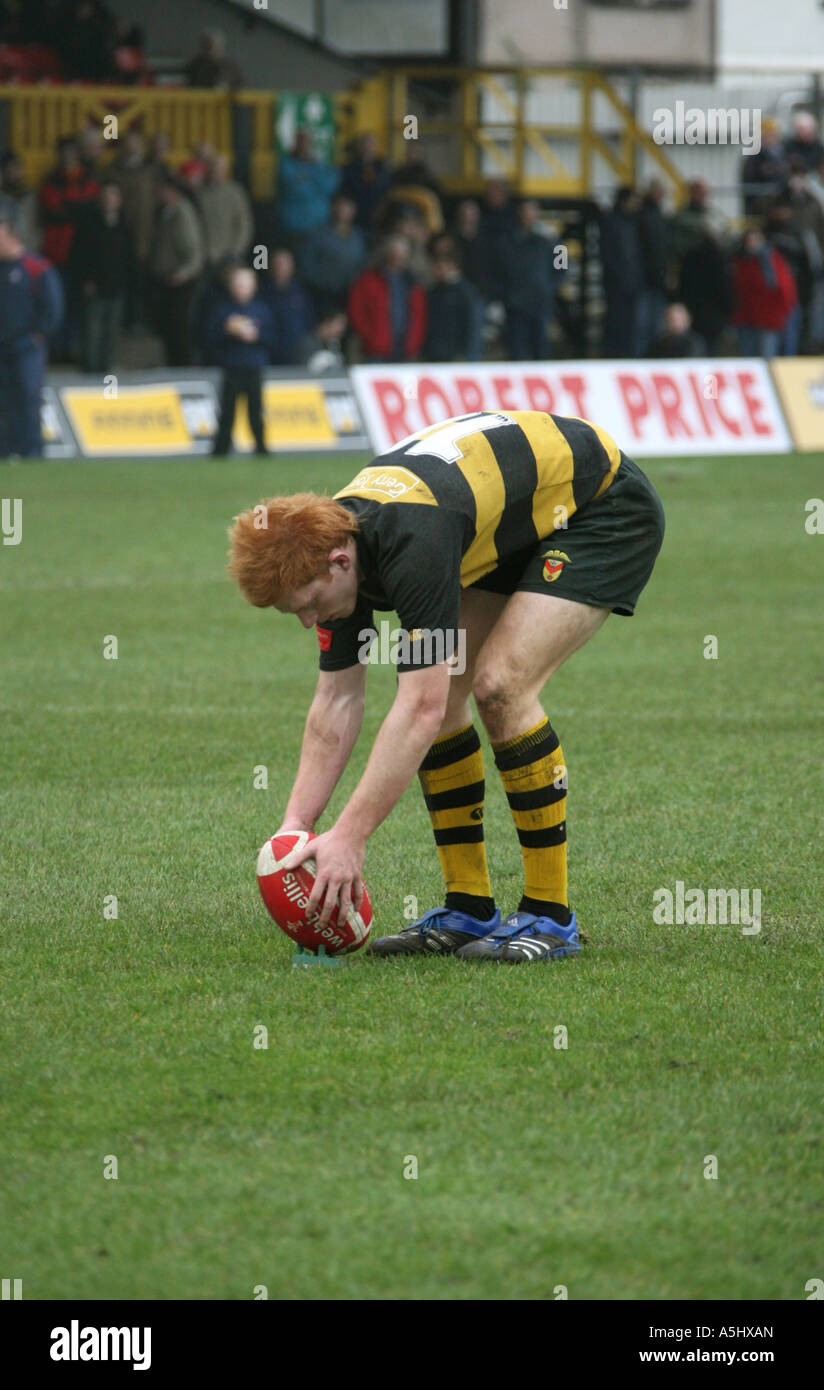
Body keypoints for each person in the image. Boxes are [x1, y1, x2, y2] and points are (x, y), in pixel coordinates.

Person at [227, 409, 665, 963]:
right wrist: (297, 825)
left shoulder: (413, 540)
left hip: (598, 509)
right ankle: (468, 908)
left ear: (340, 562)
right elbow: (336, 698)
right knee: (450, 688)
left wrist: (350, 836)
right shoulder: (330, 546)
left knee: (499, 686)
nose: (309, 622)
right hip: (509, 520)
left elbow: (418, 708)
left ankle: (550, 916)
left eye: (310, 605)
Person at [0, 197, 64, 457]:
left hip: (27, 347)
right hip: (2, 347)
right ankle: (5, 453)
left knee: (28, 397)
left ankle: (31, 452)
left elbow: (54, 306)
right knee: (4, 403)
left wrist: (39, 336)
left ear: (12, 235)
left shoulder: (35, 267)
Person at [207, 265, 274, 456]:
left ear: (253, 287)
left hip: (254, 368)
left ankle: (261, 447)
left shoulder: (261, 310)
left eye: (245, 285)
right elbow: (209, 338)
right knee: (227, 412)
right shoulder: (222, 310)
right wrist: (228, 331)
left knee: (256, 412)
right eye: (238, 285)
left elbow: (271, 337)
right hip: (232, 368)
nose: (241, 289)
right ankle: (221, 449)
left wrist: (255, 336)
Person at [71, 180, 131, 373]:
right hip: (94, 287)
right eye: (105, 197)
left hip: (116, 288)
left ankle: (107, 376)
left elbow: (130, 259)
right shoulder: (88, 224)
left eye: (113, 197)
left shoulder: (125, 225)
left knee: (111, 334)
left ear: (119, 201)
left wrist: (126, 284)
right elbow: (78, 255)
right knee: (92, 333)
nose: (109, 201)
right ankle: (90, 374)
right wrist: (85, 281)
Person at [148, 174, 205, 366]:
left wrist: (183, 273)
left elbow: (192, 249)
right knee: (169, 326)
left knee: (180, 327)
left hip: (180, 281)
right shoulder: (166, 211)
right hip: (167, 279)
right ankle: (173, 362)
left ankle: (182, 365)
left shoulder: (182, 213)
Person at [500, 199, 565, 360]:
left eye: (531, 211)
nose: (528, 215)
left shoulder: (550, 238)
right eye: (525, 211)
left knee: (541, 349)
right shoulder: (508, 238)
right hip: (516, 302)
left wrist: (550, 287)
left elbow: (562, 260)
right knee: (516, 350)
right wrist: (505, 292)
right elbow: (498, 267)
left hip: (540, 302)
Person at [347, 234, 427, 363]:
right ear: (387, 253)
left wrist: (415, 343)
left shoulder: (413, 283)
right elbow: (356, 311)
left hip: (406, 351)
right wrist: (370, 335)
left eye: (403, 254)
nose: (399, 258)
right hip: (375, 351)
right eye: (395, 253)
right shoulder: (369, 280)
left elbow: (420, 316)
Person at [731, 226, 797, 358]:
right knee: (748, 358)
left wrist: (781, 313)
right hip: (746, 317)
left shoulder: (771, 260)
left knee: (767, 357)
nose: (751, 243)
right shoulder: (739, 261)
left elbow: (785, 289)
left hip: (769, 319)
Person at [297, 194, 366, 318]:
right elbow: (307, 263)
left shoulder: (358, 237)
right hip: (322, 295)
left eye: (348, 207)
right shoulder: (318, 233)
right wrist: (321, 284)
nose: (344, 210)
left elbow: (361, 264)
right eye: (340, 206)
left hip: (349, 294)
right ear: (333, 208)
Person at [600, 186, 643, 358]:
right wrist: (617, 276)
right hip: (617, 284)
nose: (637, 204)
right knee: (616, 323)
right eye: (634, 200)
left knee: (630, 325)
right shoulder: (611, 222)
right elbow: (609, 253)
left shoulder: (633, 222)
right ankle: (613, 357)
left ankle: (627, 357)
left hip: (632, 283)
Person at [276, 129, 340, 243]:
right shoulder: (286, 163)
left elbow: (330, 187)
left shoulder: (319, 164)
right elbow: (295, 189)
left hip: (319, 226)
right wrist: (315, 180)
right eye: (301, 141)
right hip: (292, 227)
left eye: (307, 141)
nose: (304, 145)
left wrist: (306, 177)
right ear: (295, 142)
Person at [423, 248, 482, 362]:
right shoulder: (435, 291)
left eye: (440, 267)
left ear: (452, 266)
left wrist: (466, 354)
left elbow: (472, 326)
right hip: (435, 354)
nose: (436, 271)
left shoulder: (466, 293)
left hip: (456, 355)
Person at [259, 247, 315, 366]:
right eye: (278, 264)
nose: (281, 268)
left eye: (285, 264)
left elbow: (309, 321)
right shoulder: (261, 293)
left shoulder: (300, 292)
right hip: (269, 354)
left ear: (292, 266)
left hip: (297, 352)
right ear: (270, 266)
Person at [197, 153, 253, 267]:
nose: (216, 171)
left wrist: (235, 251)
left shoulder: (235, 192)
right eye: (213, 167)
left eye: (220, 168)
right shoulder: (199, 193)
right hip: (203, 256)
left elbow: (244, 225)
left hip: (229, 256)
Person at [339, 133, 392, 239]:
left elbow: (389, 191)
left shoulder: (383, 168)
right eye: (364, 145)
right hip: (356, 218)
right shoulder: (349, 169)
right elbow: (345, 193)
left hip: (379, 218)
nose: (367, 148)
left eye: (370, 145)